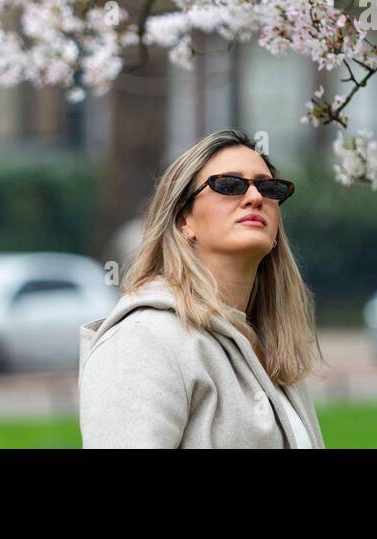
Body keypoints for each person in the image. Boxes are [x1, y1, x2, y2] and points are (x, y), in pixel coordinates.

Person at [79, 127, 326, 448]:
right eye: (229, 185)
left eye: (269, 188)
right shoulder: (143, 340)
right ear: (184, 220)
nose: (254, 197)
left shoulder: (270, 351)